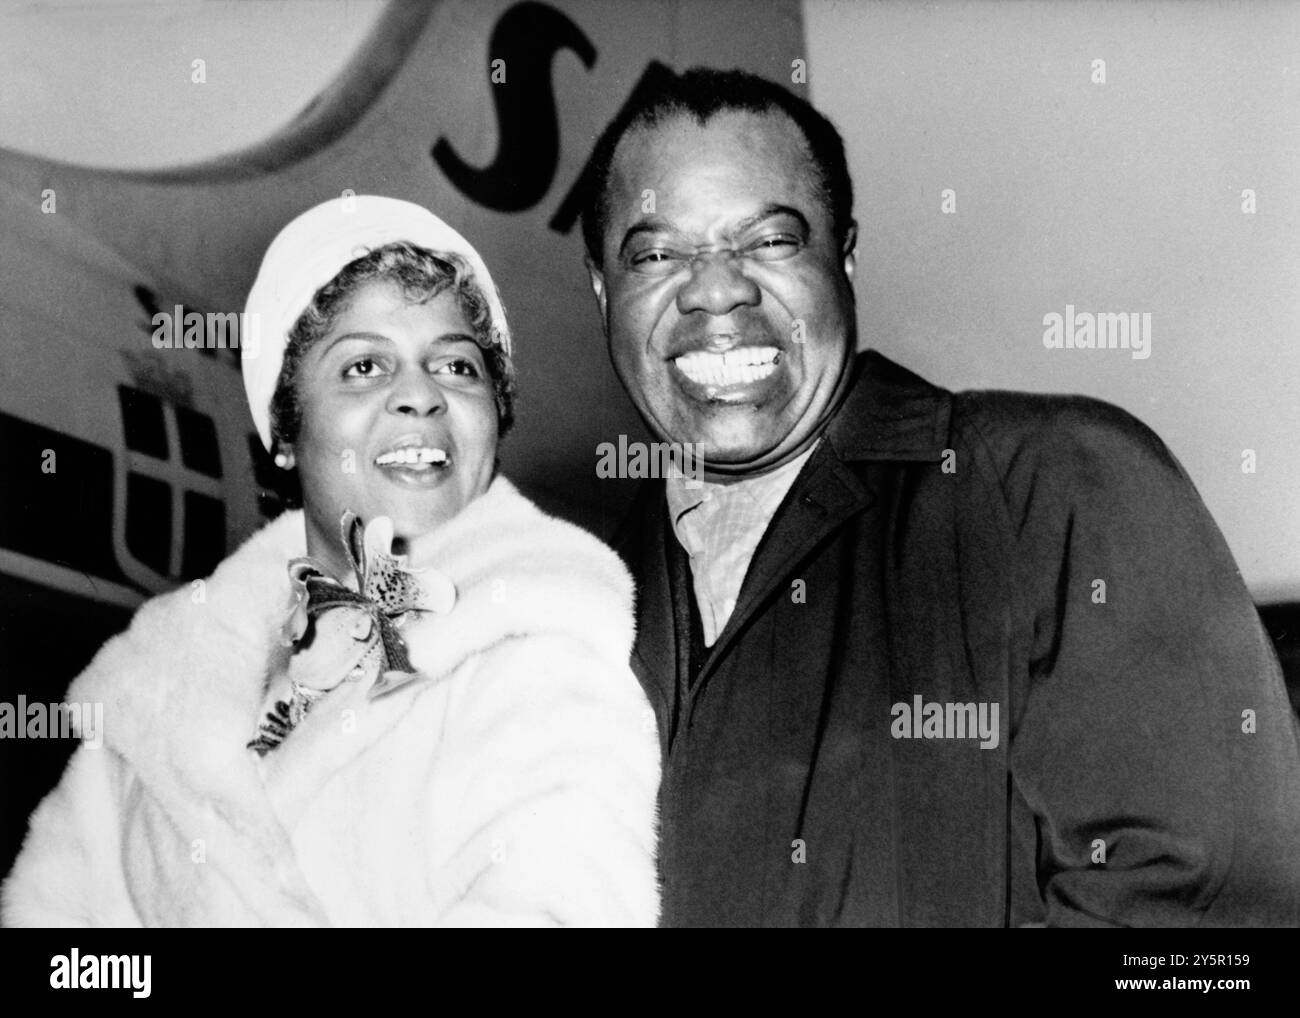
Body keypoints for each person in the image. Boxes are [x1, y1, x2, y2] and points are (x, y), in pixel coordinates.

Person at [581, 67, 1300, 927]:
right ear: (602, 288)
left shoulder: (1049, 487)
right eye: (657, 254)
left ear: (844, 254)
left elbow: (1207, 942)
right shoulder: (576, 605)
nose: (716, 288)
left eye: (769, 242)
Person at [2, 195, 660, 927]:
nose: (420, 396)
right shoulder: (155, 691)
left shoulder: (546, 662)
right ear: (284, 428)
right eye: (365, 365)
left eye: (457, 366)